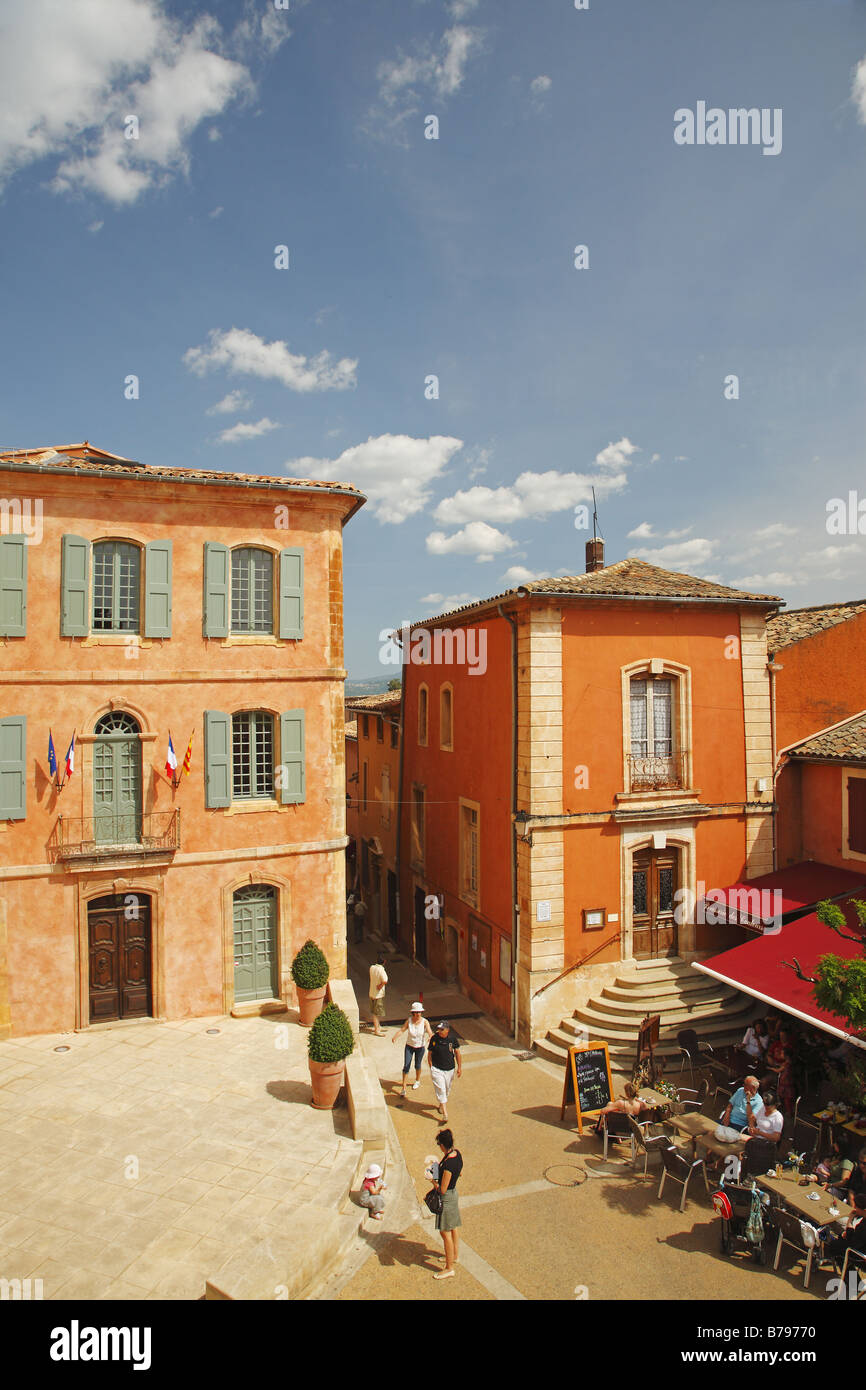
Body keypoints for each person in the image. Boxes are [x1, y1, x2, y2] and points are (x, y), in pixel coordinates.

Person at [430, 1128, 462, 1279]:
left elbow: (442, 1190)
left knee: (445, 1232)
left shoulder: (448, 1164)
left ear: (443, 1144)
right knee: (453, 1226)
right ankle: (454, 1256)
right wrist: (437, 1168)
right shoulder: (456, 1155)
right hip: (454, 1194)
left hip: (447, 1198)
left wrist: (432, 1180)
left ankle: (449, 1268)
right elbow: (459, 1172)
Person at [392, 1002, 433, 1098]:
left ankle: (417, 1080)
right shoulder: (409, 1021)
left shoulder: (425, 1022)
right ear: (413, 1013)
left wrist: (430, 1037)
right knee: (406, 1066)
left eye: (420, 1012)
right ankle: (404, 1087)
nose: (419, 1014)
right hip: (409, 1046)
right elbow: (402, 1030)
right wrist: (395, 1037)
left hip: (420, 1047)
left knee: (417, 1065)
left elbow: (430, 1031)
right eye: (417, 1012)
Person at [427, 1020, 462, 1123]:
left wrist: (459, 1068)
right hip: (437, 1069)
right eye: (439, 1029)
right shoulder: (434, 1039)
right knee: (441, 1090)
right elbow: (429, 1054)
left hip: (450, 1069)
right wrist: (431, 1067)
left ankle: (441, 1105)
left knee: (447, 1089)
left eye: (442, 1029)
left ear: (447, 1030)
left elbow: (457, 1053)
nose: (439, 1031)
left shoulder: (452, 1039)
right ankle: (445, 1114)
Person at [818, 1190, 866, 1263]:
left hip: (860, 1254)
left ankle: (852, 1274)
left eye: (857, 1206)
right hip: (860, 1247)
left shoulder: (863, 1225)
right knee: (840, 1239)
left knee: (835, 1248)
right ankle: (851, 1273)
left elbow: (852, 1240)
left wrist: (850, 1219)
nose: (855, 1208)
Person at [368, 952, 388, 1037]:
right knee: (376, 1013)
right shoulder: (381, 970)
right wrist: (380, 986)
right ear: (384, 962)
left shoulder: (372, 967)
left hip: (371, 992)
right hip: (378, 994)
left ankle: (378, 1026)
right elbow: (385, 980)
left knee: (374, 1011)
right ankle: (377, 1030)